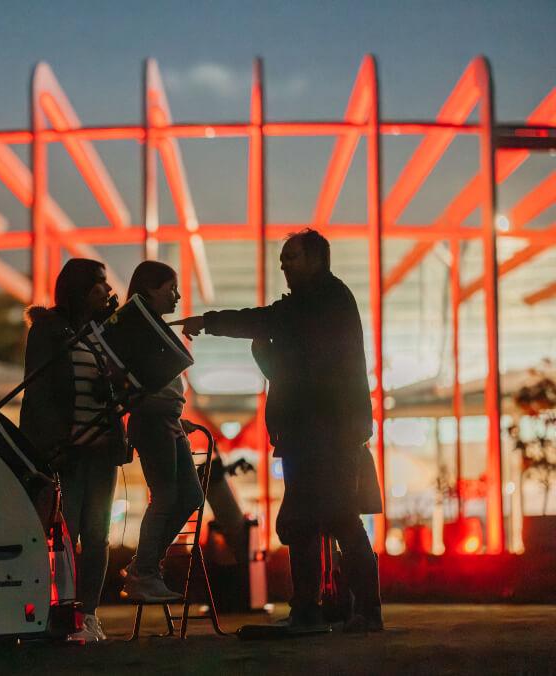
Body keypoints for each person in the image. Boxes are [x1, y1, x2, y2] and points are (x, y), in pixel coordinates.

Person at [172, 228, 383, 633]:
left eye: (293, 257)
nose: (284, 265)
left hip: (321, 433)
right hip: (323, 432)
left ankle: (315, 611)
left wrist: (223, 330)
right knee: (333, 519)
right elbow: (271, 328)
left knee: (323, 519)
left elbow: (272, 330)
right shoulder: (323, 301)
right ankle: (344, 611)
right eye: (284, 258)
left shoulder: (319, 303)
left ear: (317, 260)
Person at [19, 258, 128, 643]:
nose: (105, 289)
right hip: (68, 452)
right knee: (66, 535)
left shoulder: (102, 333)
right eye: (97, 283)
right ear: (78, 288)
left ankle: (89, 614)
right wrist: (50, 445)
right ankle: (63, 613)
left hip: (100, 450)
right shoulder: (50, 329)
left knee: (97, 536)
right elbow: (41, 391)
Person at [120, 261, 204, 603]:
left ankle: (144, 564)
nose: (177, 295)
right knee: (167, 495)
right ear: (151, 290)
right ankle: (145, 572)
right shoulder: (139, 332)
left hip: (167, 419)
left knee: (190, 496)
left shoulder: (148, 328)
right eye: (171, 288)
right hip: (155, 420)